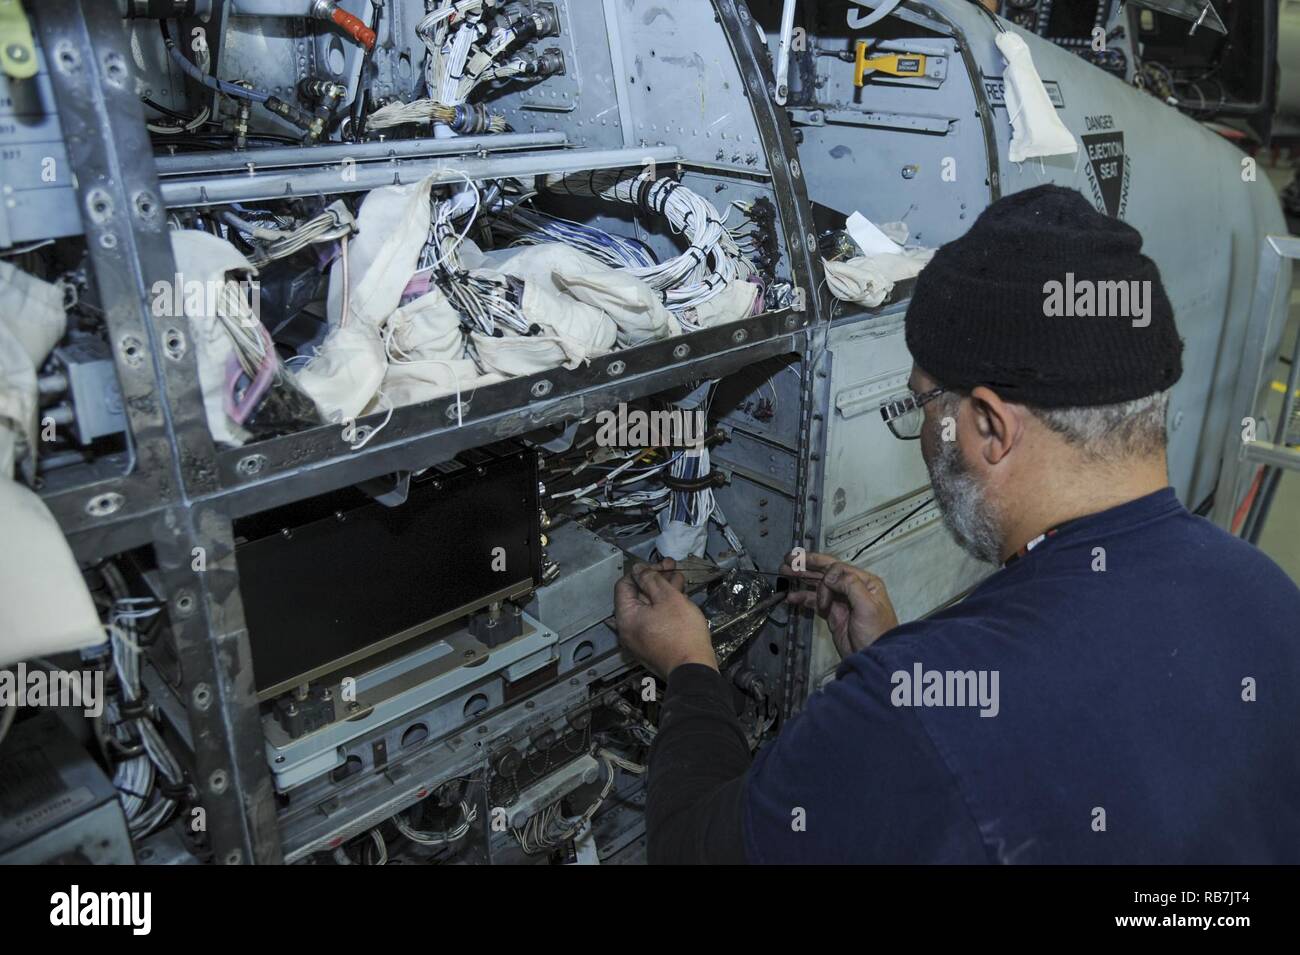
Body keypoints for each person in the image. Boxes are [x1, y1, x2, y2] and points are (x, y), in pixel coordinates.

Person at [614, 185, 1300, 863]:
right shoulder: (1269, 596)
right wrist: (904, 658)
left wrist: (689, 669)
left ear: (991, 427)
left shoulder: (903, 723)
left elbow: (692, 850)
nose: (922, 432)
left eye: (925, 402)